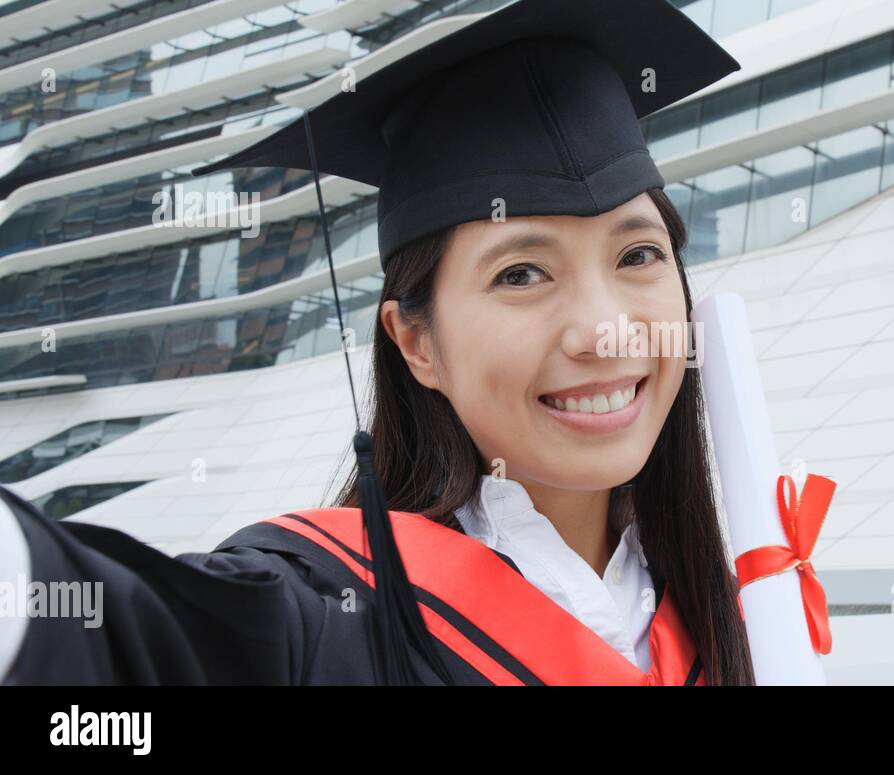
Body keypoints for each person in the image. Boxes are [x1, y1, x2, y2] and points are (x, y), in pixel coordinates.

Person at [0, 0, 755, 685]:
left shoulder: (729, 614)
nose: (604, 329)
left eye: (638, 255)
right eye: (522, 273)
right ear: (415, 341)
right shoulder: (317, 622)